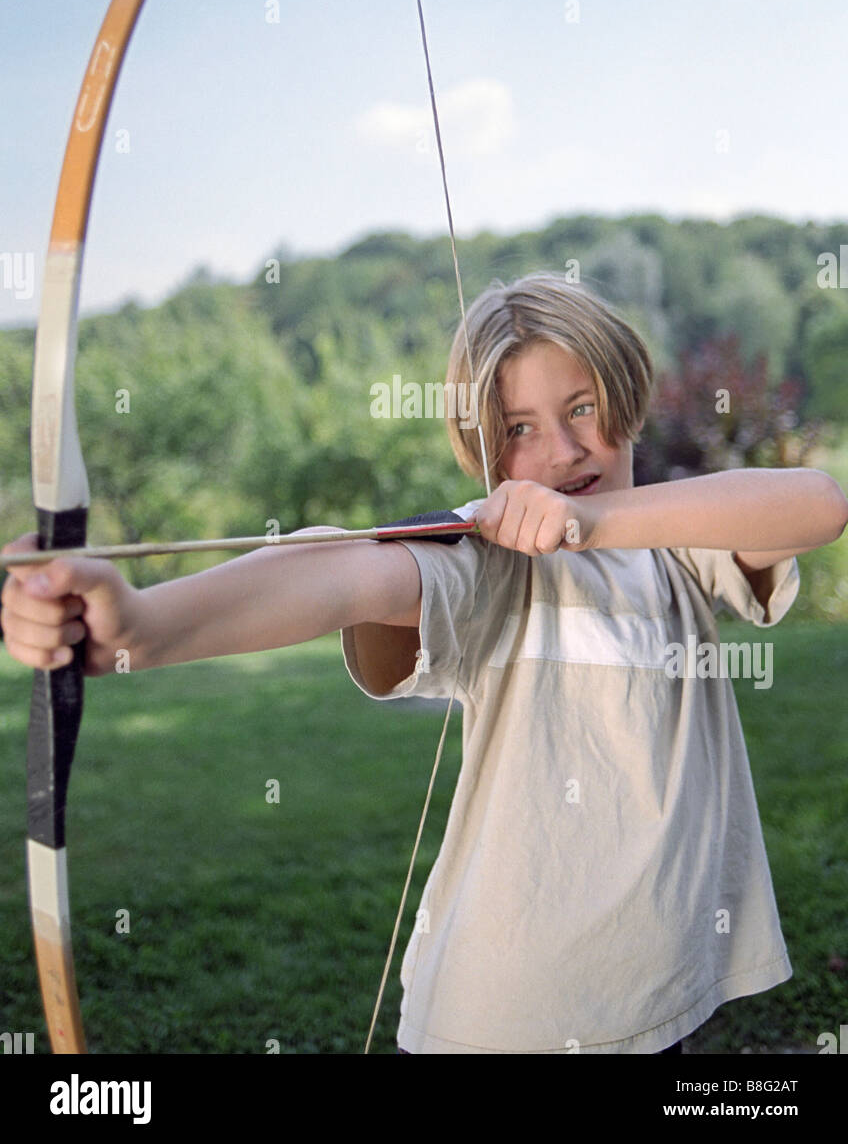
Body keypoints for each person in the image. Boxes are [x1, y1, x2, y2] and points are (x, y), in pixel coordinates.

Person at [3, 272, 846, 1054]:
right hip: (507, 1019)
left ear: (627, 397)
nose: (561, 452)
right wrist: (140, 626)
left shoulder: (674, 550)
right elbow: (344, 573)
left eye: (583, 408)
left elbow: (817, 504)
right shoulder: (490, 562)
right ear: (484, 450)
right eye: (518, 430)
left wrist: (591, 523)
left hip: (660, 998)